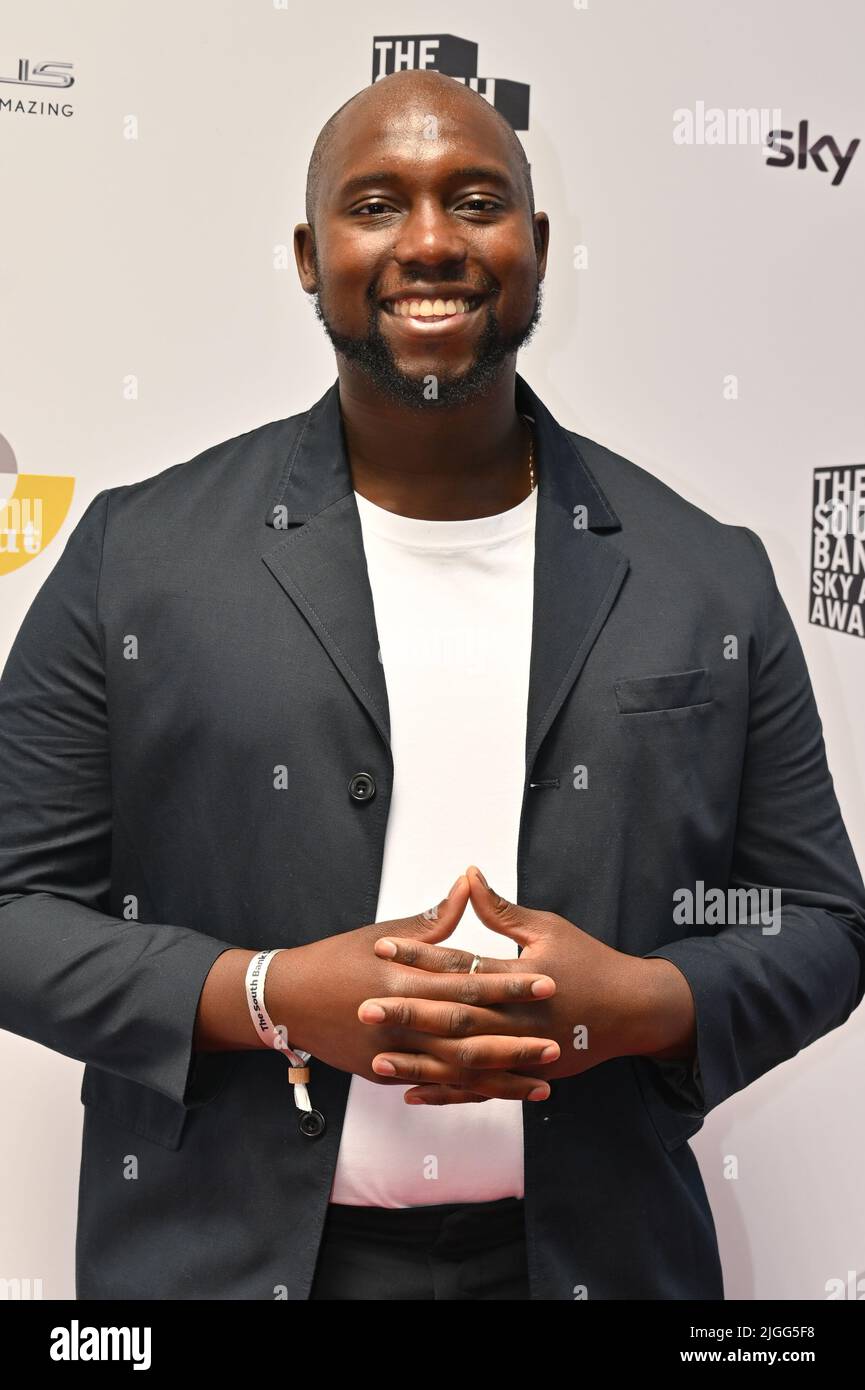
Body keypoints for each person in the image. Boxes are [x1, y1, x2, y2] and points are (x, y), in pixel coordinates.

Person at [1, 68, 863, 1301]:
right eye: (374, 205)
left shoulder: (704, 576)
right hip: (220, 1267)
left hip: (599, 1268)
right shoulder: (135, 557)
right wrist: (265, 994)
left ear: (536, 245)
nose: (428, 243)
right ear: (309, 254)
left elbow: (822, 924)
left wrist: (640, 1002)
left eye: (473, 201)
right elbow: (12, 903)